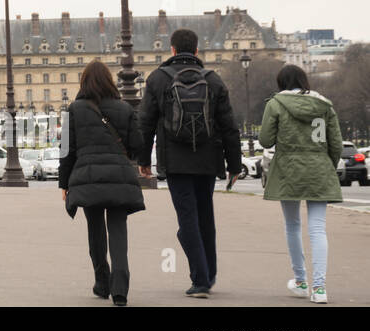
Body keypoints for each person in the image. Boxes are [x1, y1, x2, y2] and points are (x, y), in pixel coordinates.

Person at [137, 28, 243, 298]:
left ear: (172, 50)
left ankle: (200, 279)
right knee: (205, 215)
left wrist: (143, 160)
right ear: (197, 51)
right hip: (208, 160)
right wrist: (234, 164)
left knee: (187, 217)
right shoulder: (213, 80)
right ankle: (209, 272)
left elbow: (146, 123)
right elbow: (229, 126)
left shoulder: (158, 79)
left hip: (175, 161)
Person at [59, 60, 145, 306]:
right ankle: (120, 289)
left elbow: (66, 150)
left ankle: (102, 282)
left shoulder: (73, 110)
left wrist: (64, 184)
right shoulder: (125, 108)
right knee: (118, 230)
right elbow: (137, 146)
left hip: (88, 178)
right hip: (118, 177)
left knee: (95, 231)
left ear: (84, 82)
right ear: (110, 81)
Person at [259, 64, 342, 303]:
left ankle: (300, 280)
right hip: (319, 168)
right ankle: (320, 288)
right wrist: (326, 164)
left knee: (293, 225)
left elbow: (265, 139)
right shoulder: (325, 105)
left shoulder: (275, 104)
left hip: (288, 168)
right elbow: (335, 143)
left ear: (281, 83)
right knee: (318, 229)